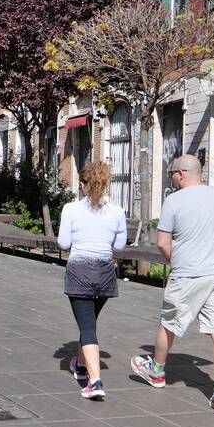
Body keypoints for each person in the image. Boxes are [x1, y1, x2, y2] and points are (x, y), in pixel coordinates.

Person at [131, 154, 214, 415]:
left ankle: (156, 372)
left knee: (169, 324)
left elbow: (163, 242)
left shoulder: (174, 201)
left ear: (181, 174)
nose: (172, 179)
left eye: (172, 174)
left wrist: (178, 261)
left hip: (188, 274)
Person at [57, 162, 126, 401]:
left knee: (87, 327)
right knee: (89, 322)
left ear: (83, 185)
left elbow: (64, 243)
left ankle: (94, 382)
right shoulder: (117, 211)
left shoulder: (71, 209)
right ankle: (80, 364)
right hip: (105, 272)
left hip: (79, 271)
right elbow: (119, 246)